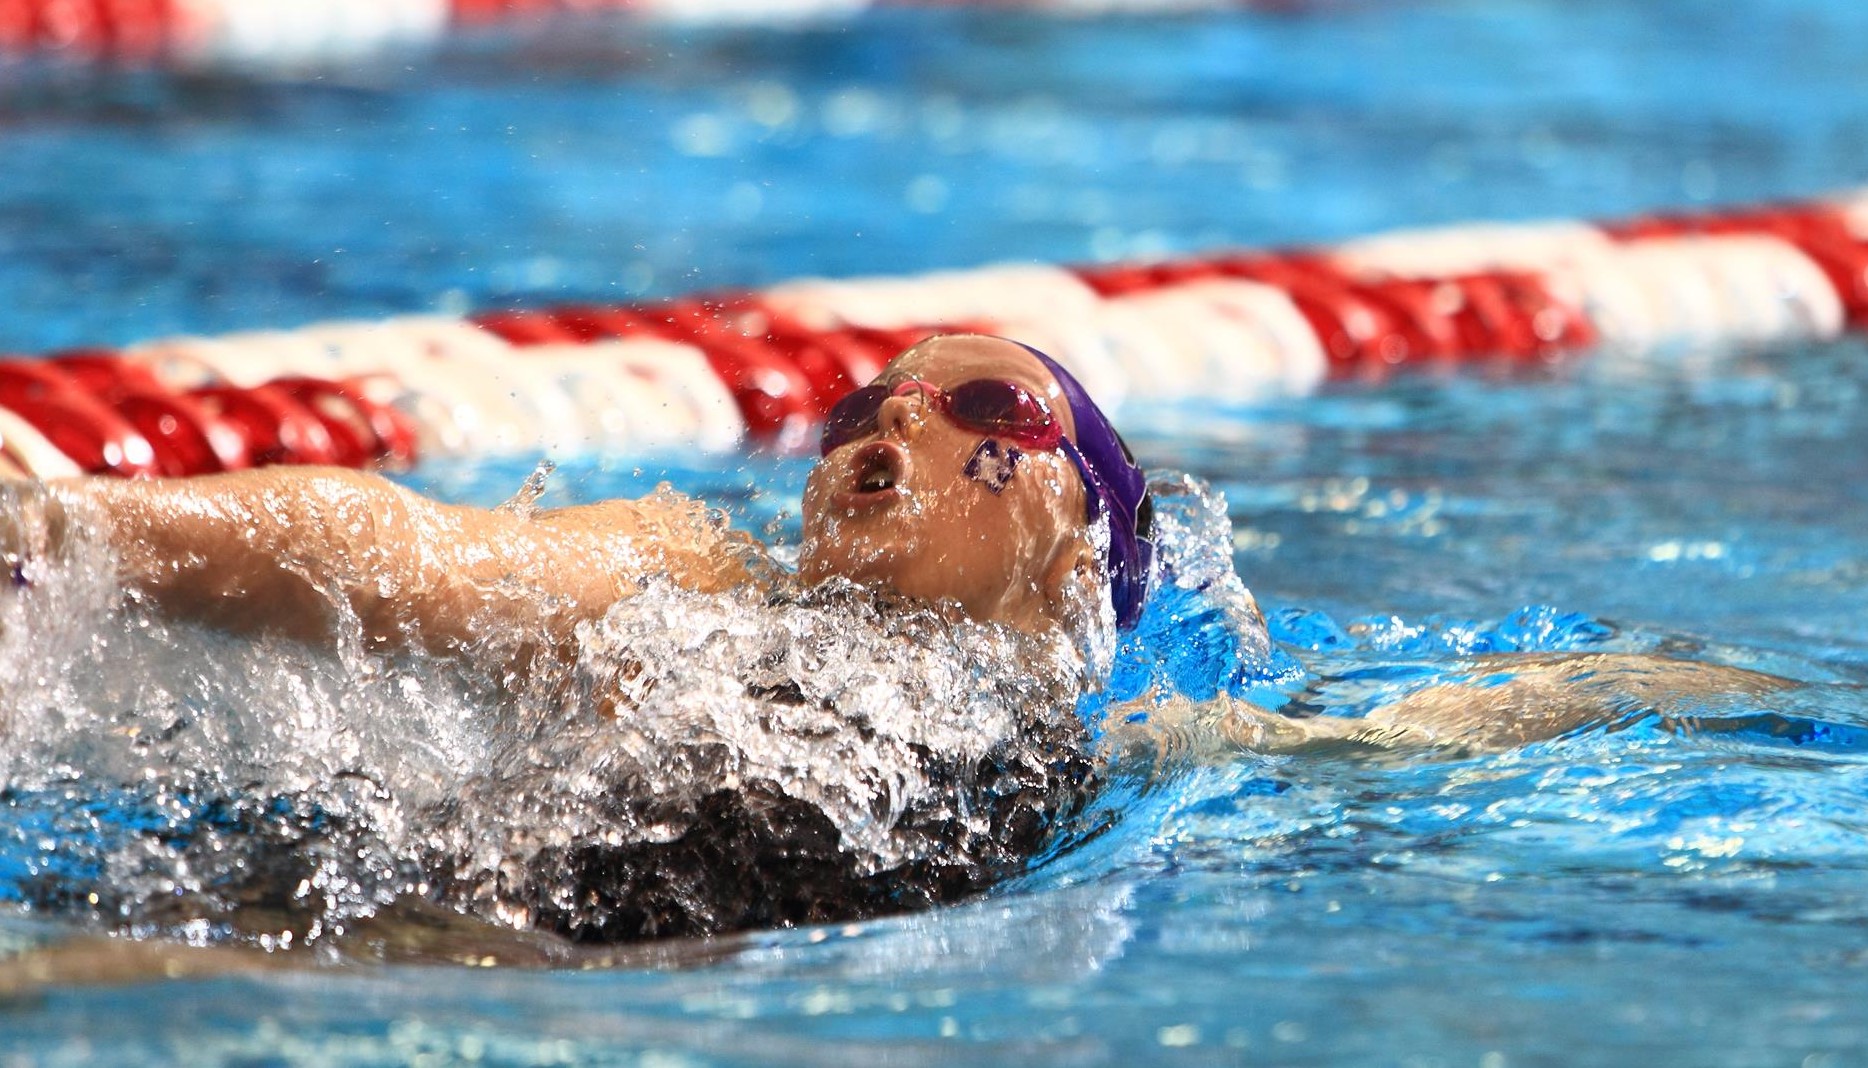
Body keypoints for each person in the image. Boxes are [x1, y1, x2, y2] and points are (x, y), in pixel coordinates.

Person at [0, 332, 1785, 950]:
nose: (888, 423)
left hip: (576, 961)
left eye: (981, 406)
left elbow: (1449, 726)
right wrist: (84, 530)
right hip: (447, 899)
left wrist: (1708, 691)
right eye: (861, 406)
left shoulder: (1123, 736)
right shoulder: (688, 576)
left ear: (1081, 521)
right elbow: (405, 553)